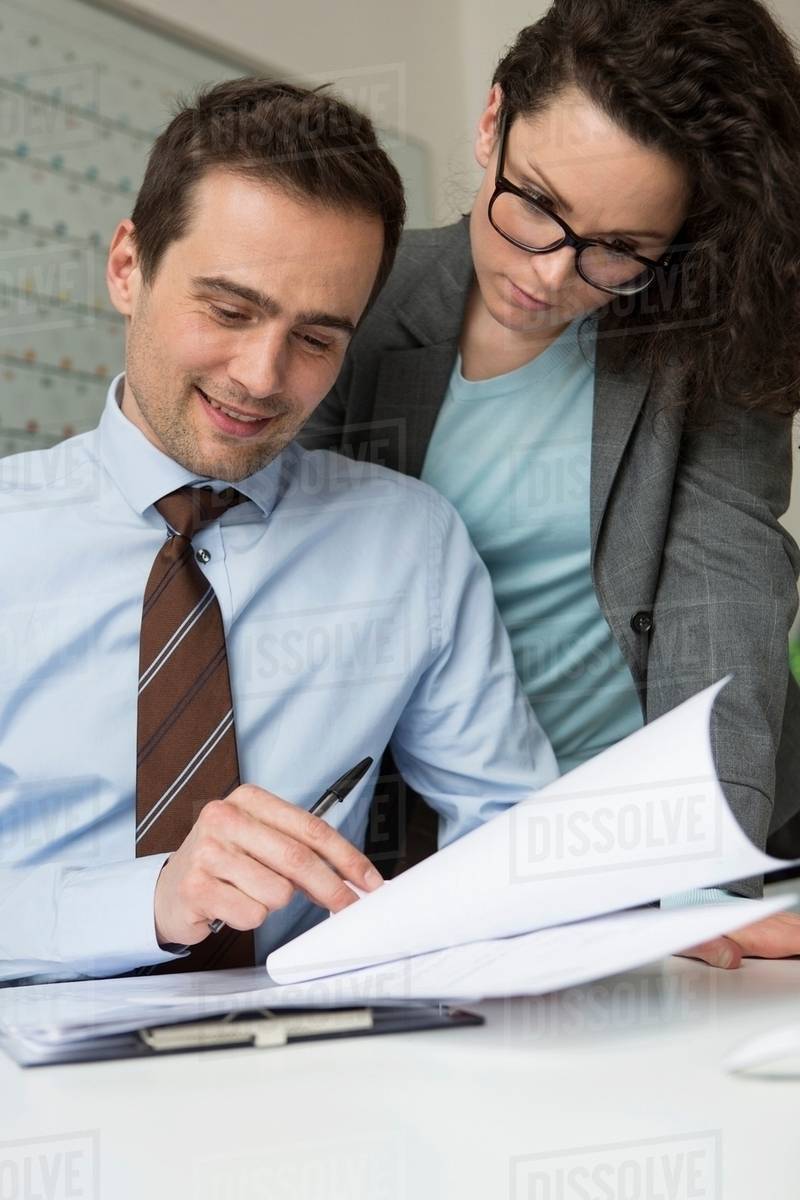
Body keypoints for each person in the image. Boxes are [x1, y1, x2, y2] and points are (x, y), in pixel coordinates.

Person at [0, 80, 558, 984]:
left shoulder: (408, 543)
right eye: (228, 310)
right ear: (127, 268)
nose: (261, 377)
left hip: (309, 1058)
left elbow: (513, 835)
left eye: (318, 338)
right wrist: (149, 901)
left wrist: (662, 904)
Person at [301, 0, 800, 969]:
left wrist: (696, 880)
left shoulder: (701, 339)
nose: (547, 271)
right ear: (491, 124)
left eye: (616, 247)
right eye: (534, 203)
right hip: (439, 863)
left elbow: (722, 599)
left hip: (655, 846)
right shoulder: (360, 297)